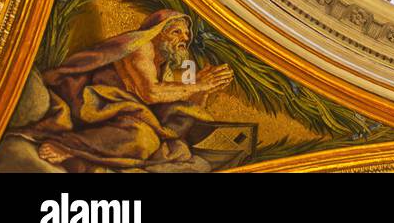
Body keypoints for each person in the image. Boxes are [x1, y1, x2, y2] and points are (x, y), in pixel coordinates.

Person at [14, 10, 233, 172]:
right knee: (142, 138)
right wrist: (199, 85)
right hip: (91, 103)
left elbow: (179, 110)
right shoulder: (141, 47)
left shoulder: (162, 67)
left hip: (121, 113)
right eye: (177, 32)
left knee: (173, 146)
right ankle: (68, 147)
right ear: (157, 33)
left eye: (187, 36)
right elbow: (150, 94)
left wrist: (206, 90)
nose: (185, 39)